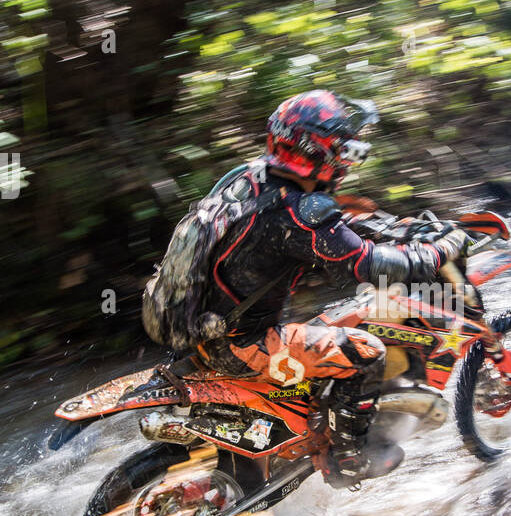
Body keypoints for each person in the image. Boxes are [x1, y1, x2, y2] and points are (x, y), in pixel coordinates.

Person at [158, 91, 468, 488]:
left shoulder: (246, 179)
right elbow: (366, 267)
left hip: (193, 326)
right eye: (341, 151)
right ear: (317, 151)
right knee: (366, 351)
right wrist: (438, 250)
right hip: (244, 344)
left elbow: (325, 233)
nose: (344, 161)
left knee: (332, 325)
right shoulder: (300, 212)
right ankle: (350, 458)